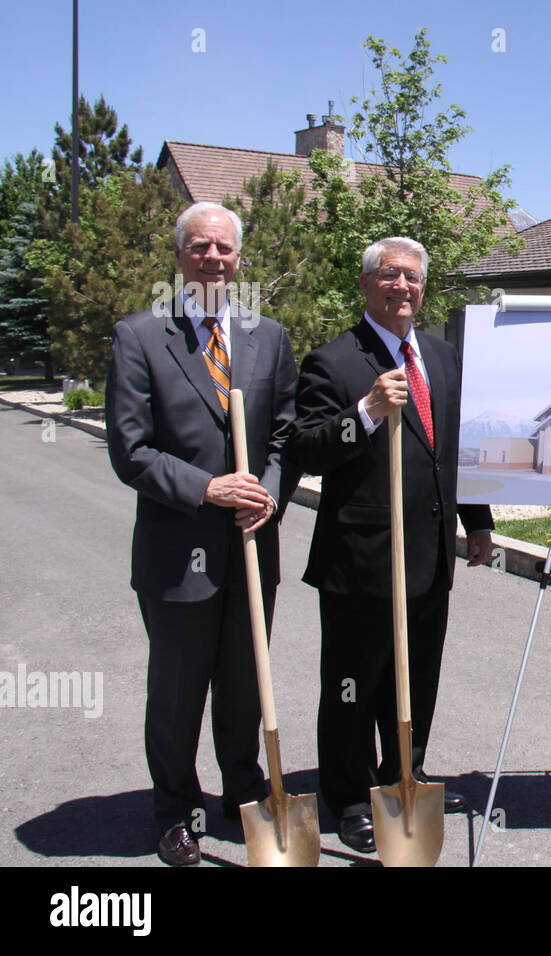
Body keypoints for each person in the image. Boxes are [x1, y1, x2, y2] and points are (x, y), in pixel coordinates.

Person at [105, 201, 299, 866]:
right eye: (199, 247)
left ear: (238, 258)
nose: (212, 258)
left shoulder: (266, 337)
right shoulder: (139, 337)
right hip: (177, 551)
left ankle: (243, 797)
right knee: (179, 693)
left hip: (251, 548)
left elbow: (283, 436)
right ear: (180, 255)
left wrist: (268, 494)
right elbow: (129, 449)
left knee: (245, 686)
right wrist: (207, 489)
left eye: (223, 248)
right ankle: (176, 812)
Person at [291, 236, 494, 854]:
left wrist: (477, 519)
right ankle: (349, 796)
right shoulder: (332, 362)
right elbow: (306, 447)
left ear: (424, 287)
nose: (401, 286)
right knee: (355, 682)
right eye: (388, 276)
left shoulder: (440, 355)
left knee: (417, 677)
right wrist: (368, 411)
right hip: (362, 558)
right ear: (365, 286)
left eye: (412, 277)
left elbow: (453, 448)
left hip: (431, 553)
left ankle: (404, 775)